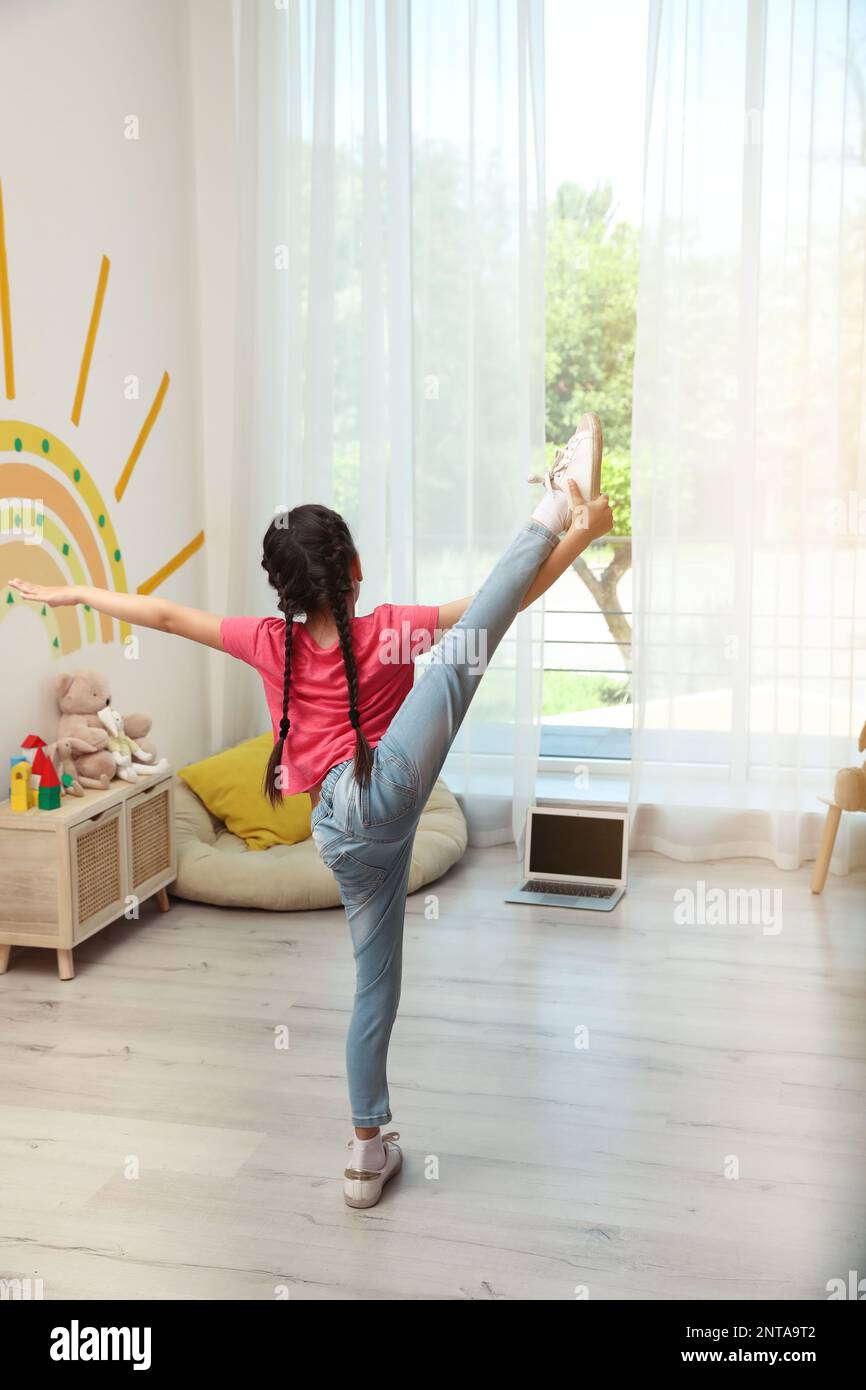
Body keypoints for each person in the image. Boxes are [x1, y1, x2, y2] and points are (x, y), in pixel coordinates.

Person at [8, 413, 613, 1209]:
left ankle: (366, 1154)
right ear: (354, 567)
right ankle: (557, 498)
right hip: (380, 794)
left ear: (285, 592)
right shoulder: (390, 631)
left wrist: (76, 592)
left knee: (376, 989)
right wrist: (578, 533)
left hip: (342, 837)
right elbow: (505, 602)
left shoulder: (269, 641)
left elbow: (165, 616)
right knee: (467, 648)